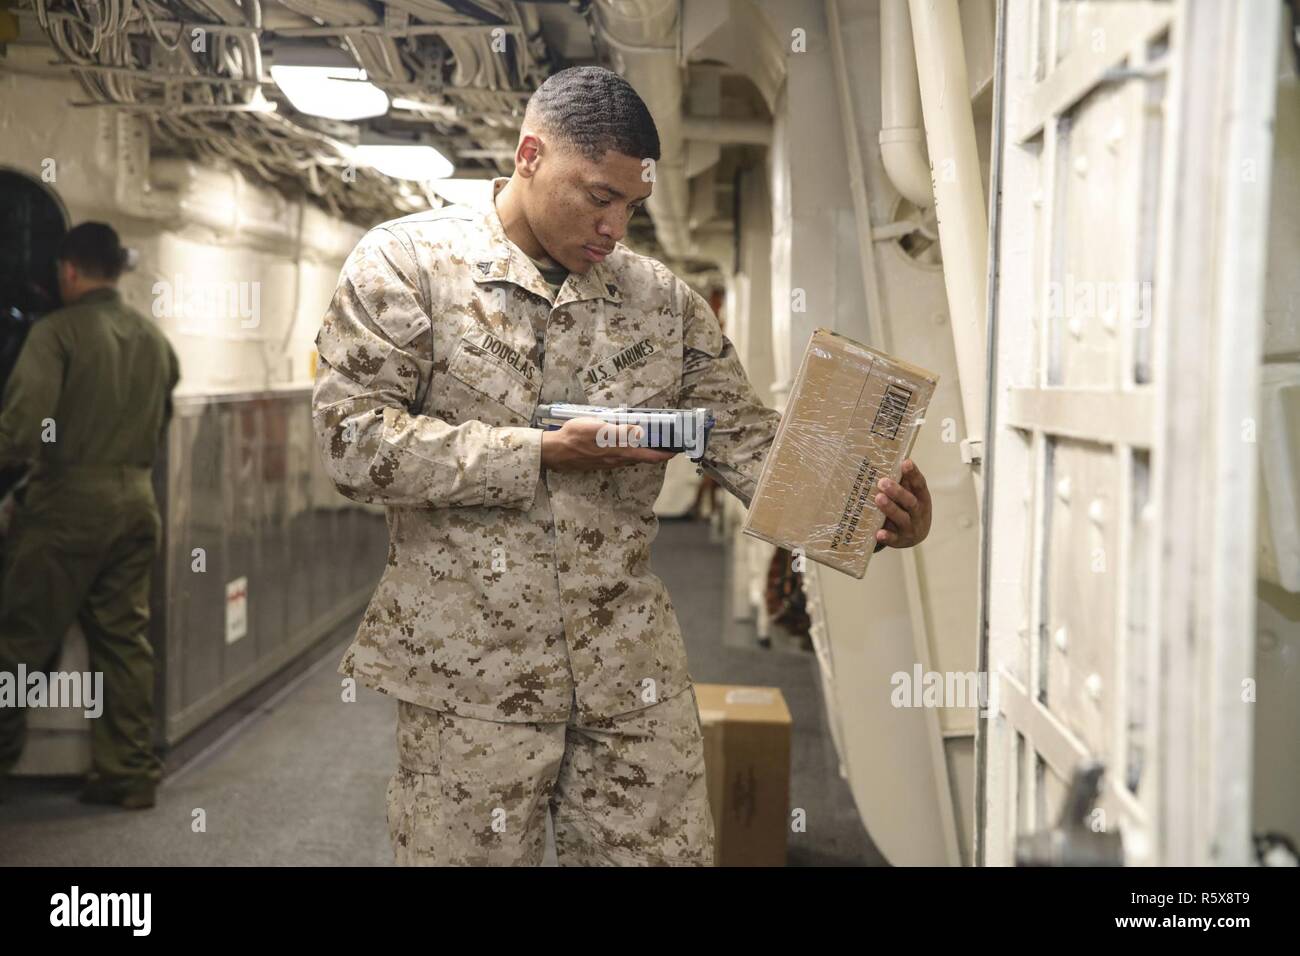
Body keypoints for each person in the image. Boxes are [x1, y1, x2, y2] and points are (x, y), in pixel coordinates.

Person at [312, 66, 933, 865]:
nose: (615, 226)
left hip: (628, 671)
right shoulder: (408, 266)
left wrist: (869, 512)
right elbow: (351, 442)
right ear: (530, 155)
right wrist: (538, 452)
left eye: (632, 206)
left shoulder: (659, 302)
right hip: (468, 678)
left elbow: (746, 442)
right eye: (598, 196)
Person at [0, 222, 180, 809]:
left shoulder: (57, 333)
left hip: (66, 509)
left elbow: (23, 431)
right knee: (125, 642)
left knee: (17, 643)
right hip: (137, 503)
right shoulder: (153, 338)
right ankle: (127, 774)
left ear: (69, 271)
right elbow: (162, 416)